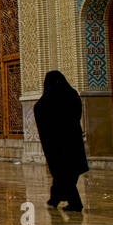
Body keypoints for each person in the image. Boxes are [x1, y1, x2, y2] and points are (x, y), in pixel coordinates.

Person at [33, 70, 88, 212]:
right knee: (68, 172)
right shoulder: (72, 94)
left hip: (56, 143)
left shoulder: (47, 99)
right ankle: (55, 199)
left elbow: (39, 110)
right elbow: (77, 113)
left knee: (62, 173)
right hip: (73, 140)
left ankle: (75, 203)